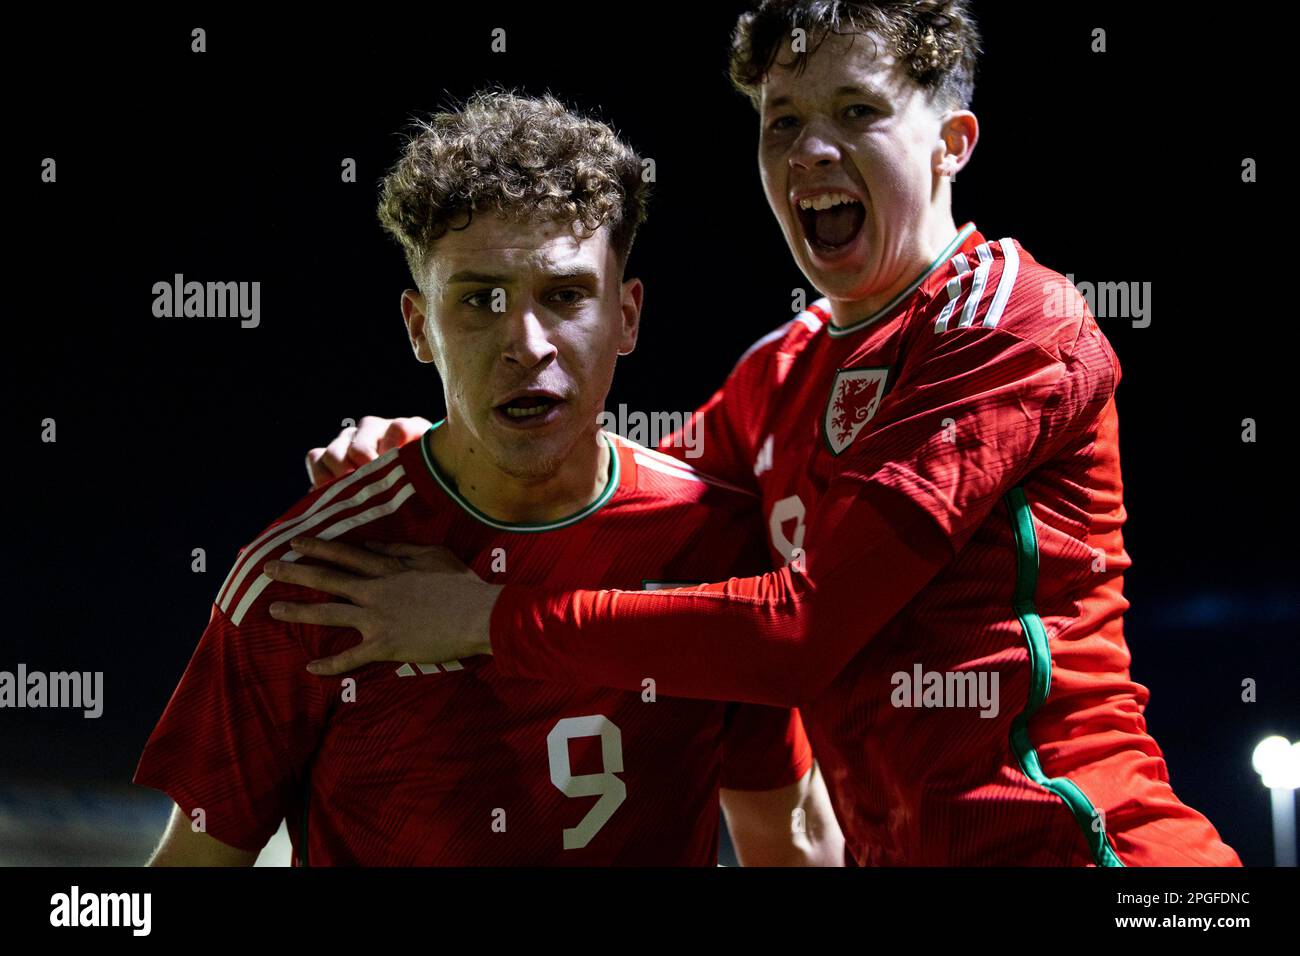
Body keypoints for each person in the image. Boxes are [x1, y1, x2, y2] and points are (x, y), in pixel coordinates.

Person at [274, 2, 1239, 865]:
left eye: (857, 112)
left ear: (952, 141)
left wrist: (484, 619)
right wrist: (444, 449)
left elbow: (798, 634)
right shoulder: (780, 370)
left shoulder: (1012, 324)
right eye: (784, 122)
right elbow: (606, 498)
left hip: (1090, 850)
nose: (808, 152)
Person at [136, 91, 843, 866]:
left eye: (566, 295)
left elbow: (794, 838)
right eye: (480, 301)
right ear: (419, 328)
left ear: (627, 316)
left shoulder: (716, 544)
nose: (526, 343)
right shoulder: (309, 577)